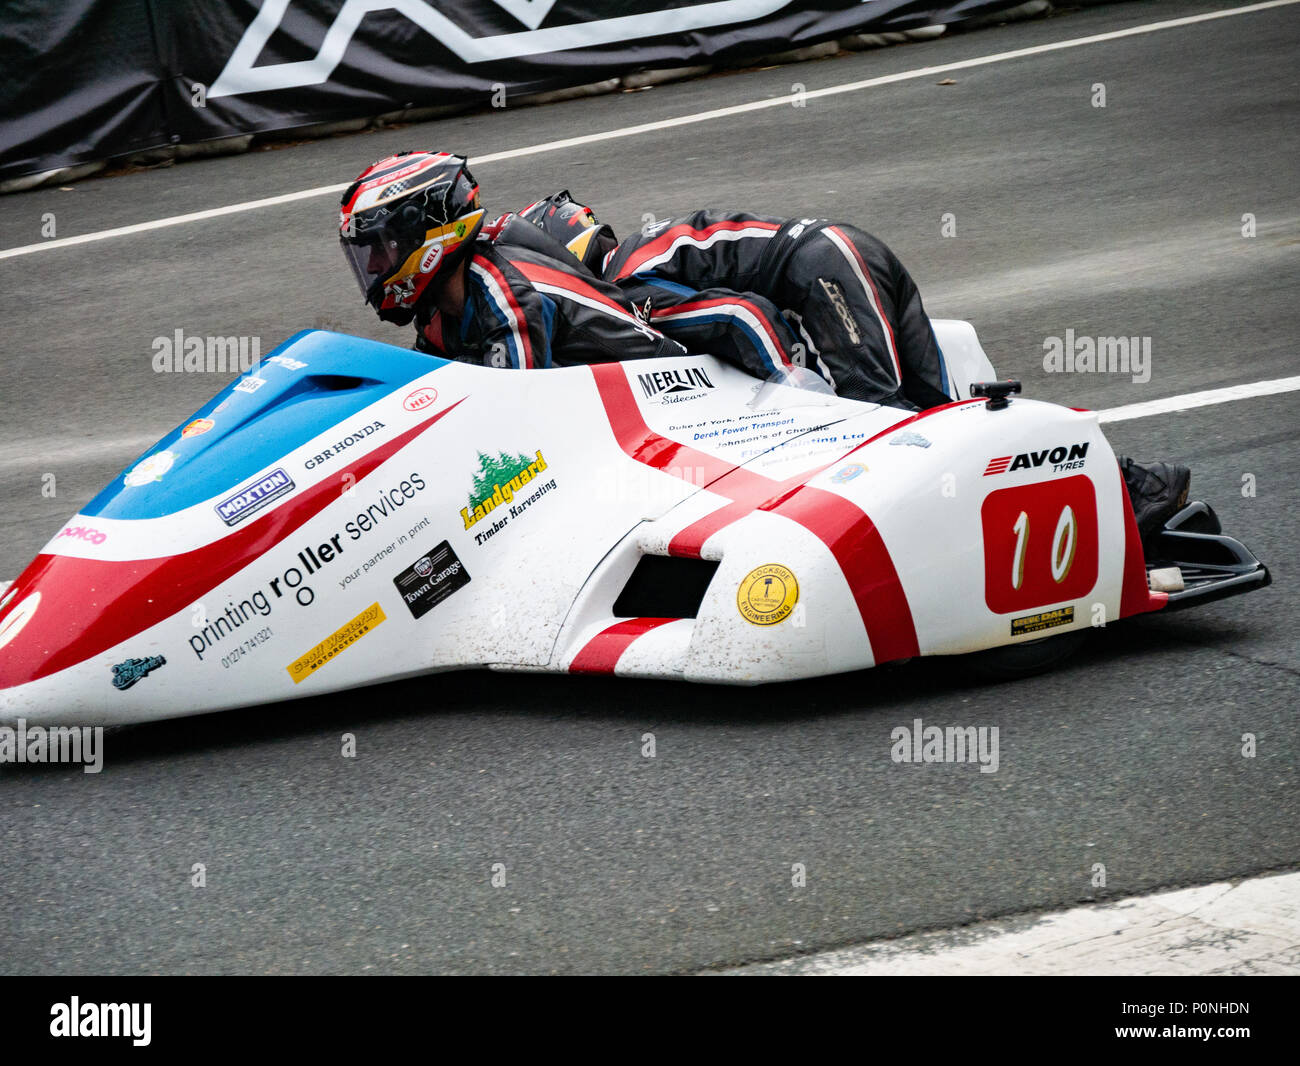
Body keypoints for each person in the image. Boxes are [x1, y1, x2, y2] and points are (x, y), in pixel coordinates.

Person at [517, 195, 1191, 543]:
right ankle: (1133, 490)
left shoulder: (628, 280)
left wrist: (793, 393)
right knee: (946, 419)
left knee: (887, 428)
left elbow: (744, 313)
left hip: (826, 269)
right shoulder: (641, 254)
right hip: (851, 251)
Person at [337, 151, 685, 368]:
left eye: (382, 248)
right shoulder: (436, 309)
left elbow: (513, 408)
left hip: (664, 393)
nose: (371, 267)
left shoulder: (505, 292)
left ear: (429, 237)